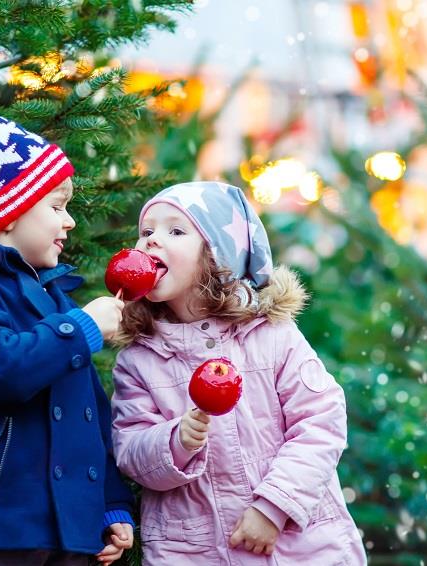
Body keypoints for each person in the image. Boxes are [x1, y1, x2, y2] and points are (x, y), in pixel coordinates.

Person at [0, 84, 134, 566]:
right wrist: (82, 328)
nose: (69, 221)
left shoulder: (54, 297)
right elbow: (1, 368)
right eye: (57, 206)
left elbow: (87, 412)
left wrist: (110, 503)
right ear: (6, 213)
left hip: (68, 533)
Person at [111, 181, 366, 565]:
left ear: (218, 256)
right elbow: (131, 452)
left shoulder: (271, 335)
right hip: (196, 551)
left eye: (175, 231)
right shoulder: (139, 359)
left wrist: (273, 507)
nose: (151, 241)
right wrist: (175, 441)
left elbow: (320, 421)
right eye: (146, 232)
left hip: (298, 548)